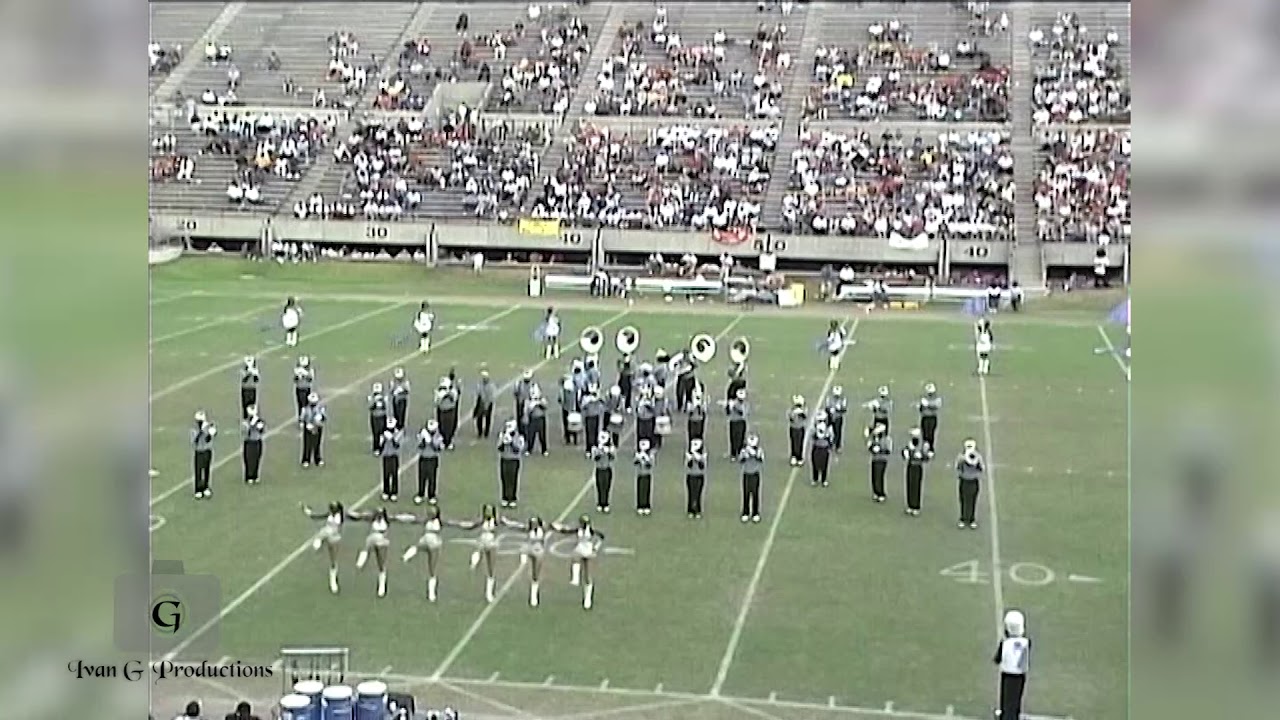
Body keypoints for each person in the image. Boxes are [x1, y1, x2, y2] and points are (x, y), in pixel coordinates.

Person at [402, 506, 464, 602]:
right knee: (416, 547)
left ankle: (431, 592)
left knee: (432, 569)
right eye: (430, 511)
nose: (430, 513)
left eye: (432, 512)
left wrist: (461, 524)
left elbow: (452, 523)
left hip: (434, 544)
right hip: (425, 540)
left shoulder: (440, 521)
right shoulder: (425, 520)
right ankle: (407, 556)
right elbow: (415, 519)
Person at [553, 514, 605, 609]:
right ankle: (575, 578)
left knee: (587, 576)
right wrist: (557, 528)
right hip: (581, 549)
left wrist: (595, 548)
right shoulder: (579, 529)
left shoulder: (591, 530)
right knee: (575, 558)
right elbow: (567, 531)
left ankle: (587, 598)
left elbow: (601, 536)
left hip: (588, 550)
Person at [500, 514, 549, 606]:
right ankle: (523, 560)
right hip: (529, 549)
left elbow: (551, 527)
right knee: (523, 550)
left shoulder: (543, 529)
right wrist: (506, 522)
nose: (533, 525)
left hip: (539, 551)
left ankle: (533, 594)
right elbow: (516, 526)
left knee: (535, 574)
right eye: (532, 523)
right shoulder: (528, 529)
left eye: (535, 523)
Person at [302, 501, 348, 593]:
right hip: (326, 532)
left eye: (333, 509)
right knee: (321, 534)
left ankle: (333, 580)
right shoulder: (329, 515)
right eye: (331, 509)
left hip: (334, 537)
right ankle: (319, 542)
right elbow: (318, 516)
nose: (332, 511)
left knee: (333, 560)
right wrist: (308, 512)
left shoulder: (341, 516)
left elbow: (355, 517)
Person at [458, 504, 502, 602]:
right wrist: (461, 524)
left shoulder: (496, 521)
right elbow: (471, 526)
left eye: (490, 510)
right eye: (486, 510)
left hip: (492, 544)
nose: (488, 512)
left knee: (491, 569)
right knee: (478, 551)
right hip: (482, 542)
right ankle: (474, 563)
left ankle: (489, 592)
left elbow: (508, 524)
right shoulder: (481, 521)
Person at [993, 610, 1030, 718]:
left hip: (1007, 675)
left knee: (1006, 699)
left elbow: (997, 659)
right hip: (1020, 676)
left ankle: (1006, 716)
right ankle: (1015, 715)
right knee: (1016, 698)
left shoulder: (1005, 643)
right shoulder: (1026, 643)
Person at [902, 428, 933, 516]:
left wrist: (922, 456)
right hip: (910, 465)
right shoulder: (910, 443)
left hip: (918, 466)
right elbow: (905, 452)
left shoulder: (924, 445)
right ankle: (909, 505)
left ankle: (916, 506)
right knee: (909, 484)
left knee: (916, 485)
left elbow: (927, 457)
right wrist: (905, 454)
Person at [956, 439, 985, 529]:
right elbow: (958, 468)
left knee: (973, 500)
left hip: (973, 481)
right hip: (964, 480)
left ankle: (972, 519)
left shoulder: (978, 456)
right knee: (963, 500)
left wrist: (976, 463)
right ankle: (963, 518)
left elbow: (982, 469)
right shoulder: (961, 457)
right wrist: (963, 461)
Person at [414, 420, 445, 504]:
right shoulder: (422, 434)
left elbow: (438, 448)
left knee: (432, 478)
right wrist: (423, 439)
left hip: (432, 458)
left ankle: (431, 495)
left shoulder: (438, 436)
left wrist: (430, 441)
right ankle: (420, 494)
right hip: (423, 458)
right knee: (422, 477)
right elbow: (420, 446)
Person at [497, 420, 525, 508]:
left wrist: (511, 442)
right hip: (504, 459)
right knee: (504, 478)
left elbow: (518, 450)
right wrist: (503, 441)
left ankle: (512, 498)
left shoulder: (519, 436)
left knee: (513, 479)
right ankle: (504, 497)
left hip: (514, 460)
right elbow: (499, 448)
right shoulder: (502, 434)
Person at [737, 433, 765, 522]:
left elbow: (761, 459)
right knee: (746, 493)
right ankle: (745, 512)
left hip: (755, 474)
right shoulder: (744, 450)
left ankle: (755, 512)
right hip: (746, 474)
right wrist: (745, 454)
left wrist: (754, 453)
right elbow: (740, 460)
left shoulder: (759, 450)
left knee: (755, 494)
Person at [191, 411, 216, 499]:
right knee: (198, 471)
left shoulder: (208, 426)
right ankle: (198, 489)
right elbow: (195, 440)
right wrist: (201, 431)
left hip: (207, 450)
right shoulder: (194, 429)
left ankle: (205, 487)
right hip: (198, 451)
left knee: (206, 469)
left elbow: (209, 439)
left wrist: (210, 432)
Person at [590, 431, 617, 512]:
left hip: (607, 469)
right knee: (599, 487)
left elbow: (613, 458)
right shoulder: (595, 448)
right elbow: (594, 458)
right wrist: (600, 451)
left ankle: (605, 503)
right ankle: (600, 503)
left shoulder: (611, 447)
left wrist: (608, 452)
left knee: (606, 487)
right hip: (599, 469)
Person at [379, 418, 403, 502]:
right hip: (386, 456)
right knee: (386, 474)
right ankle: (386, 491)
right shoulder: (384, 433)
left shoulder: (398, 433)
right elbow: (380, 447)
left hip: (394, 456)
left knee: (394, 475)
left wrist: (392, 438)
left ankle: (394, 492)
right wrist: (383, 439)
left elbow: (397, 445)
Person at [867, 423, 891, 502]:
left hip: (882, 460)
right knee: (874, 476)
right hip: (875, 459)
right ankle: (876, 492)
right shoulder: (874, 439)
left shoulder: (887, 439)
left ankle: (881, 493)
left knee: (879, 476)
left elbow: (888, 450)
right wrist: (872, 447)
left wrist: (880, 449)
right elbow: (870, 448)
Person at [299, 392, 325, 467]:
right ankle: (306, 459)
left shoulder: (320, 408)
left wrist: (320, 419)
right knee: (307, 444)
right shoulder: (305, 409)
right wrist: (305, 424)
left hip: (318, 427)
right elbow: (302, 418)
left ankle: (318, 459)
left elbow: (324, 417)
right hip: (308, 428)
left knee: (317, 443)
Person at [241, 404, 265, 485]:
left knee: (256, 458)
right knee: (248, 459)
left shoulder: (259, 421)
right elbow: (244, 432)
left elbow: (261, 430)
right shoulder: (246, 421)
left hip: (257, 441)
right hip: (248, 442)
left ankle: (255, 475)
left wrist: (258, 426)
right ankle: (248, 475)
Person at [435, 376, 461, 449]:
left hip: (450, 410)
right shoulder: (439, 392)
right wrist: (442, 397)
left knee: (450, 427)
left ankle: (449, 441)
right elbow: (436, 402)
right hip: (442, 411)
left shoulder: (453, 391)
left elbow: (455, 400)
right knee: (442, 427)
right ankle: (444, 441)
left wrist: (449, 395)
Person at [685, 439, 708, 518]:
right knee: (691, 492)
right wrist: (691, 457)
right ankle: (690, 510)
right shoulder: (688, 454)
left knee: (698, 493)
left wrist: (696, 456)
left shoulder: (703, 455)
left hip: (699, 475)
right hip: (691, 475)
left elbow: (702, 466)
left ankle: (698, 510)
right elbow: (689, 465)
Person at [810, 410, 833, 487]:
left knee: (824, 464)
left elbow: (831, 437)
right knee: (815, 463)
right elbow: (812, 436)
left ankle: (824, 479)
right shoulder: (814, 427)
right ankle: (815, 479)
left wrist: (828, 440)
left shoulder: (829, 428)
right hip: (817, 446)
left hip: (824, 447)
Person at [634, 438, 655, 514]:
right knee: (640, 490)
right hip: (640, 474)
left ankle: (646, 505)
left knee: (646, 490)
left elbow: (650, 465)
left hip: (647, 474)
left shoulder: (650, 455)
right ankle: (640, 505)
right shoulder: (638, 454)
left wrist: (646, 458)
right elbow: (635, 463)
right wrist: (639, 458)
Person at [918, 382, 942, 449]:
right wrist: (921, 405)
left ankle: (931, 448)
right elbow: (921, 409)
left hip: (932, 418)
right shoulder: (924, 398)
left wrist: (927, 404)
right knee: (924, 434)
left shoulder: (937, 398)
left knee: (930, 434)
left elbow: (937, 405)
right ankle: (925, 449)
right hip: (925, 417)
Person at [472, 368, 495, 438]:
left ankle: (486, 432)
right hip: (481, 402)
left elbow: (491, 397)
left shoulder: (491, 386)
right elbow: (478, 394)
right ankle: (480, 432)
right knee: (479, 418)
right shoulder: (480, 384)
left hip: (488, 403)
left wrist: (487, 405)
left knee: (488, 418)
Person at [368, 382, 390, 455]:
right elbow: (370, 407)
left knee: (383, 433)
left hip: (382, 416)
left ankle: (382, 447)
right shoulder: (371, 397)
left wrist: (382, 401)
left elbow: (385, 407)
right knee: (376, 433)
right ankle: (376, 448)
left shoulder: (384, 397)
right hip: (374, 417)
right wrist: (375, 402)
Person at [787, 395, 807, 466]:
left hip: (800, 428)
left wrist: (800, 413)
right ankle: (793, 456)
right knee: (793, 442)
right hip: (793, 427)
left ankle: (800, 457)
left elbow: (805, 416)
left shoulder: (804, 409)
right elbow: (790, 418)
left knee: (800, 442)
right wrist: (794, 413)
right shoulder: (791, 410)